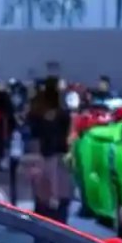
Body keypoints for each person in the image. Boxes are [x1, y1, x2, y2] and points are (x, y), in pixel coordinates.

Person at [26, 76, 74, 223]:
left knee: (45, 200)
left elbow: (33, 136)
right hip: (54, 158)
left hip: (47, 157)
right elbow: (66, 135)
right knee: (58, 198)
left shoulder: (37, 112)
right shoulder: (61, 114)